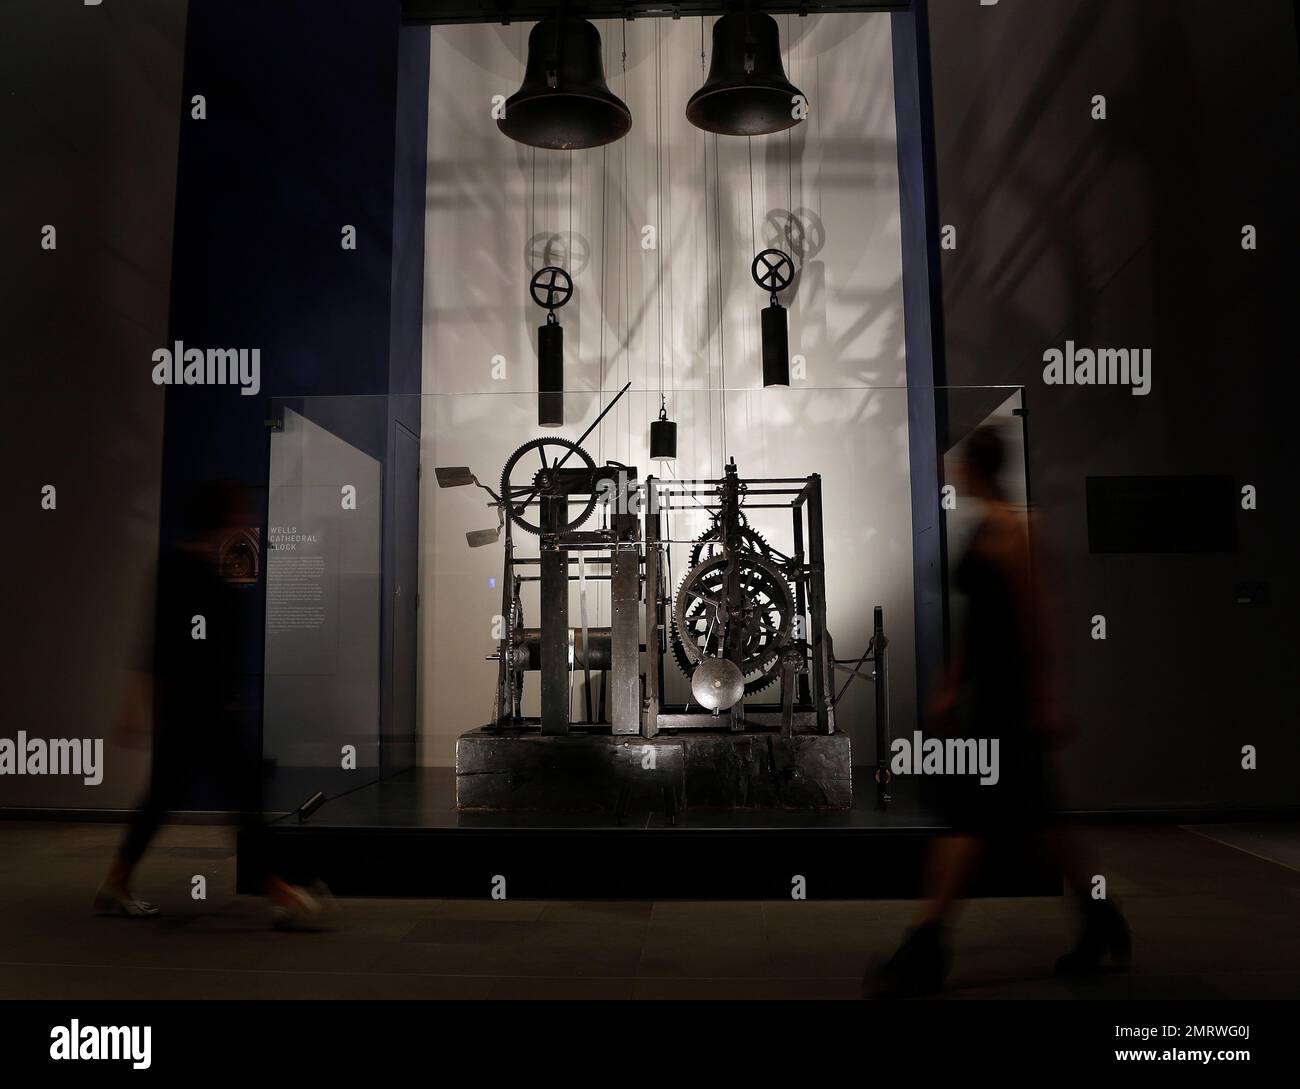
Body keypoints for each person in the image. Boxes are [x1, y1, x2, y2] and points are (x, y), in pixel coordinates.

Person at [869, 426, 1129, 997]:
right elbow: (979, 618)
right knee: (1043, 820)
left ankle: (926, 944)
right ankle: (1102, 923)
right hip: (990, 694)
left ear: (979, 468)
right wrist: (951, 682)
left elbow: (1038, 620)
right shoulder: (989, 524)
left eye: (963, 466)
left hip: (1010, 699)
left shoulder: (1016, 529)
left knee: (976, 819)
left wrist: (1047, 697)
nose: (955, 475)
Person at [94, 480, 332, 929]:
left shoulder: (203, 571)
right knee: (220, 799)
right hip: (193, 710)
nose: (248, 521)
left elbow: (181, 649)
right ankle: (280, 889)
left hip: (202, 709)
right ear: (222, 518)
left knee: (184, 797)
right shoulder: (186, 571)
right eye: (240, 514)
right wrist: (139, 703)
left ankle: (120, 881)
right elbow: (159, 645)